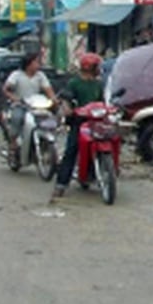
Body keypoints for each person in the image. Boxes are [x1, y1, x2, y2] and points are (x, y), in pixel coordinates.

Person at [53, 53, 105, 199]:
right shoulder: (74, 83)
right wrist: (67, 108)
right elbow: (66, 98)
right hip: (79, 122)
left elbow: (102, 101)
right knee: (71, 150)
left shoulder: (98, 84)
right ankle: (61, 184)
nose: (98, 69)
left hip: (96, 121)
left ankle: (96, 174)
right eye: (96, 66)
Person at [3, 51, 55, 157]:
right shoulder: (16, 75)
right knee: (17, 118)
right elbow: (6, 89)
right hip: (21, 105)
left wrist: (54, 99)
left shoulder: (40, 76)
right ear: (28, 63)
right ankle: (13, 143)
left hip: (36, 105)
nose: (38, 65)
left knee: (49, 119)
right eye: (36, 62)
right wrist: (15, 98)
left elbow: (48, 90)